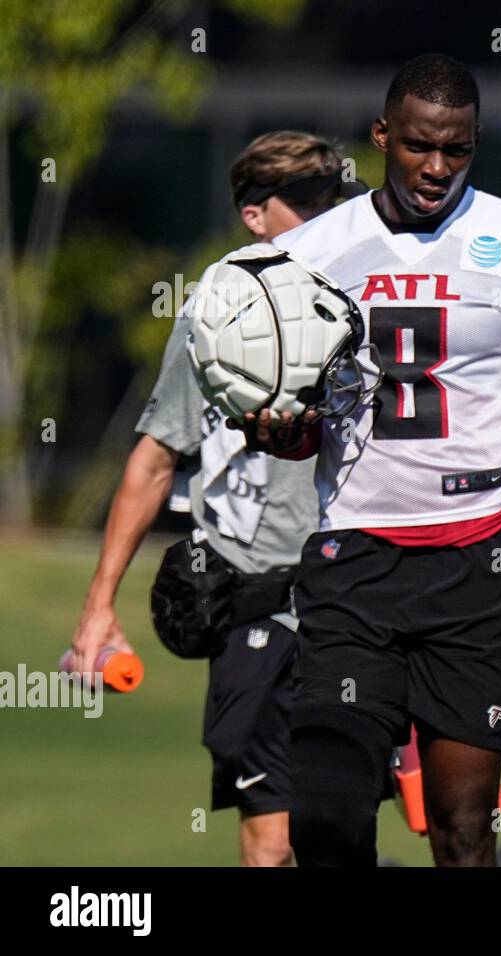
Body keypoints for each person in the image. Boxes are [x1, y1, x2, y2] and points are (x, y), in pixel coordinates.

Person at [247, 53, 501, 867]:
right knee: (327, 817)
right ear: (383, 135)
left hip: (482, 562)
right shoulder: (311, 254)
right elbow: (304, 422)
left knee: (462, 826)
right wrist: (280, 431)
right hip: (356, 560)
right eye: (419, 146)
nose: (437, 168)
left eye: (457, 149)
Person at [71, 130, 357, 866]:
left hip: (359, 595)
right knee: (271, 843)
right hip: (259, 600)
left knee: (349, 832)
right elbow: (155, 457)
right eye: (306, 202)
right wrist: (100, 606)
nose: (326, 214)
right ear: (254, 214)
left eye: (334, 198)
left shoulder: (364, 291)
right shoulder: (217, 310)